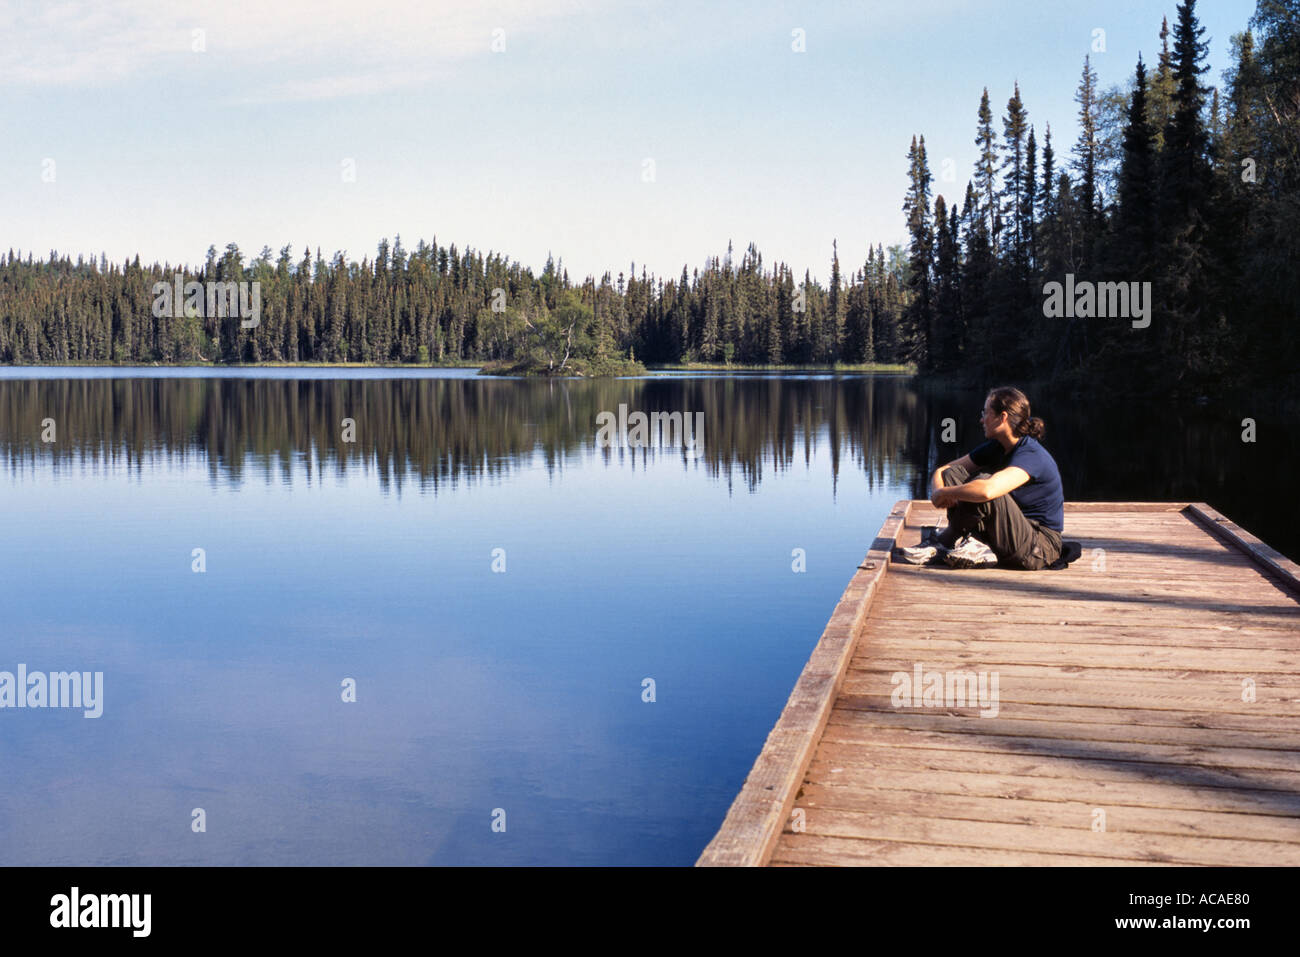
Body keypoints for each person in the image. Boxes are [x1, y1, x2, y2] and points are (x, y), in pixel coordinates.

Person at [900, 386, 1065, 570]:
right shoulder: (998, 446)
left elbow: (987, 491)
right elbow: (945, 470)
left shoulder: (1032, 455)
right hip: (1011, 535)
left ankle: (945, 542)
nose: (981, 419)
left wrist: (947, 492)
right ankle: (969, 543)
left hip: (1038, 548)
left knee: (984, 484)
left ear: (1002, 418)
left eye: (985, 413)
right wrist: (939, 490)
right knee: (953, 475)